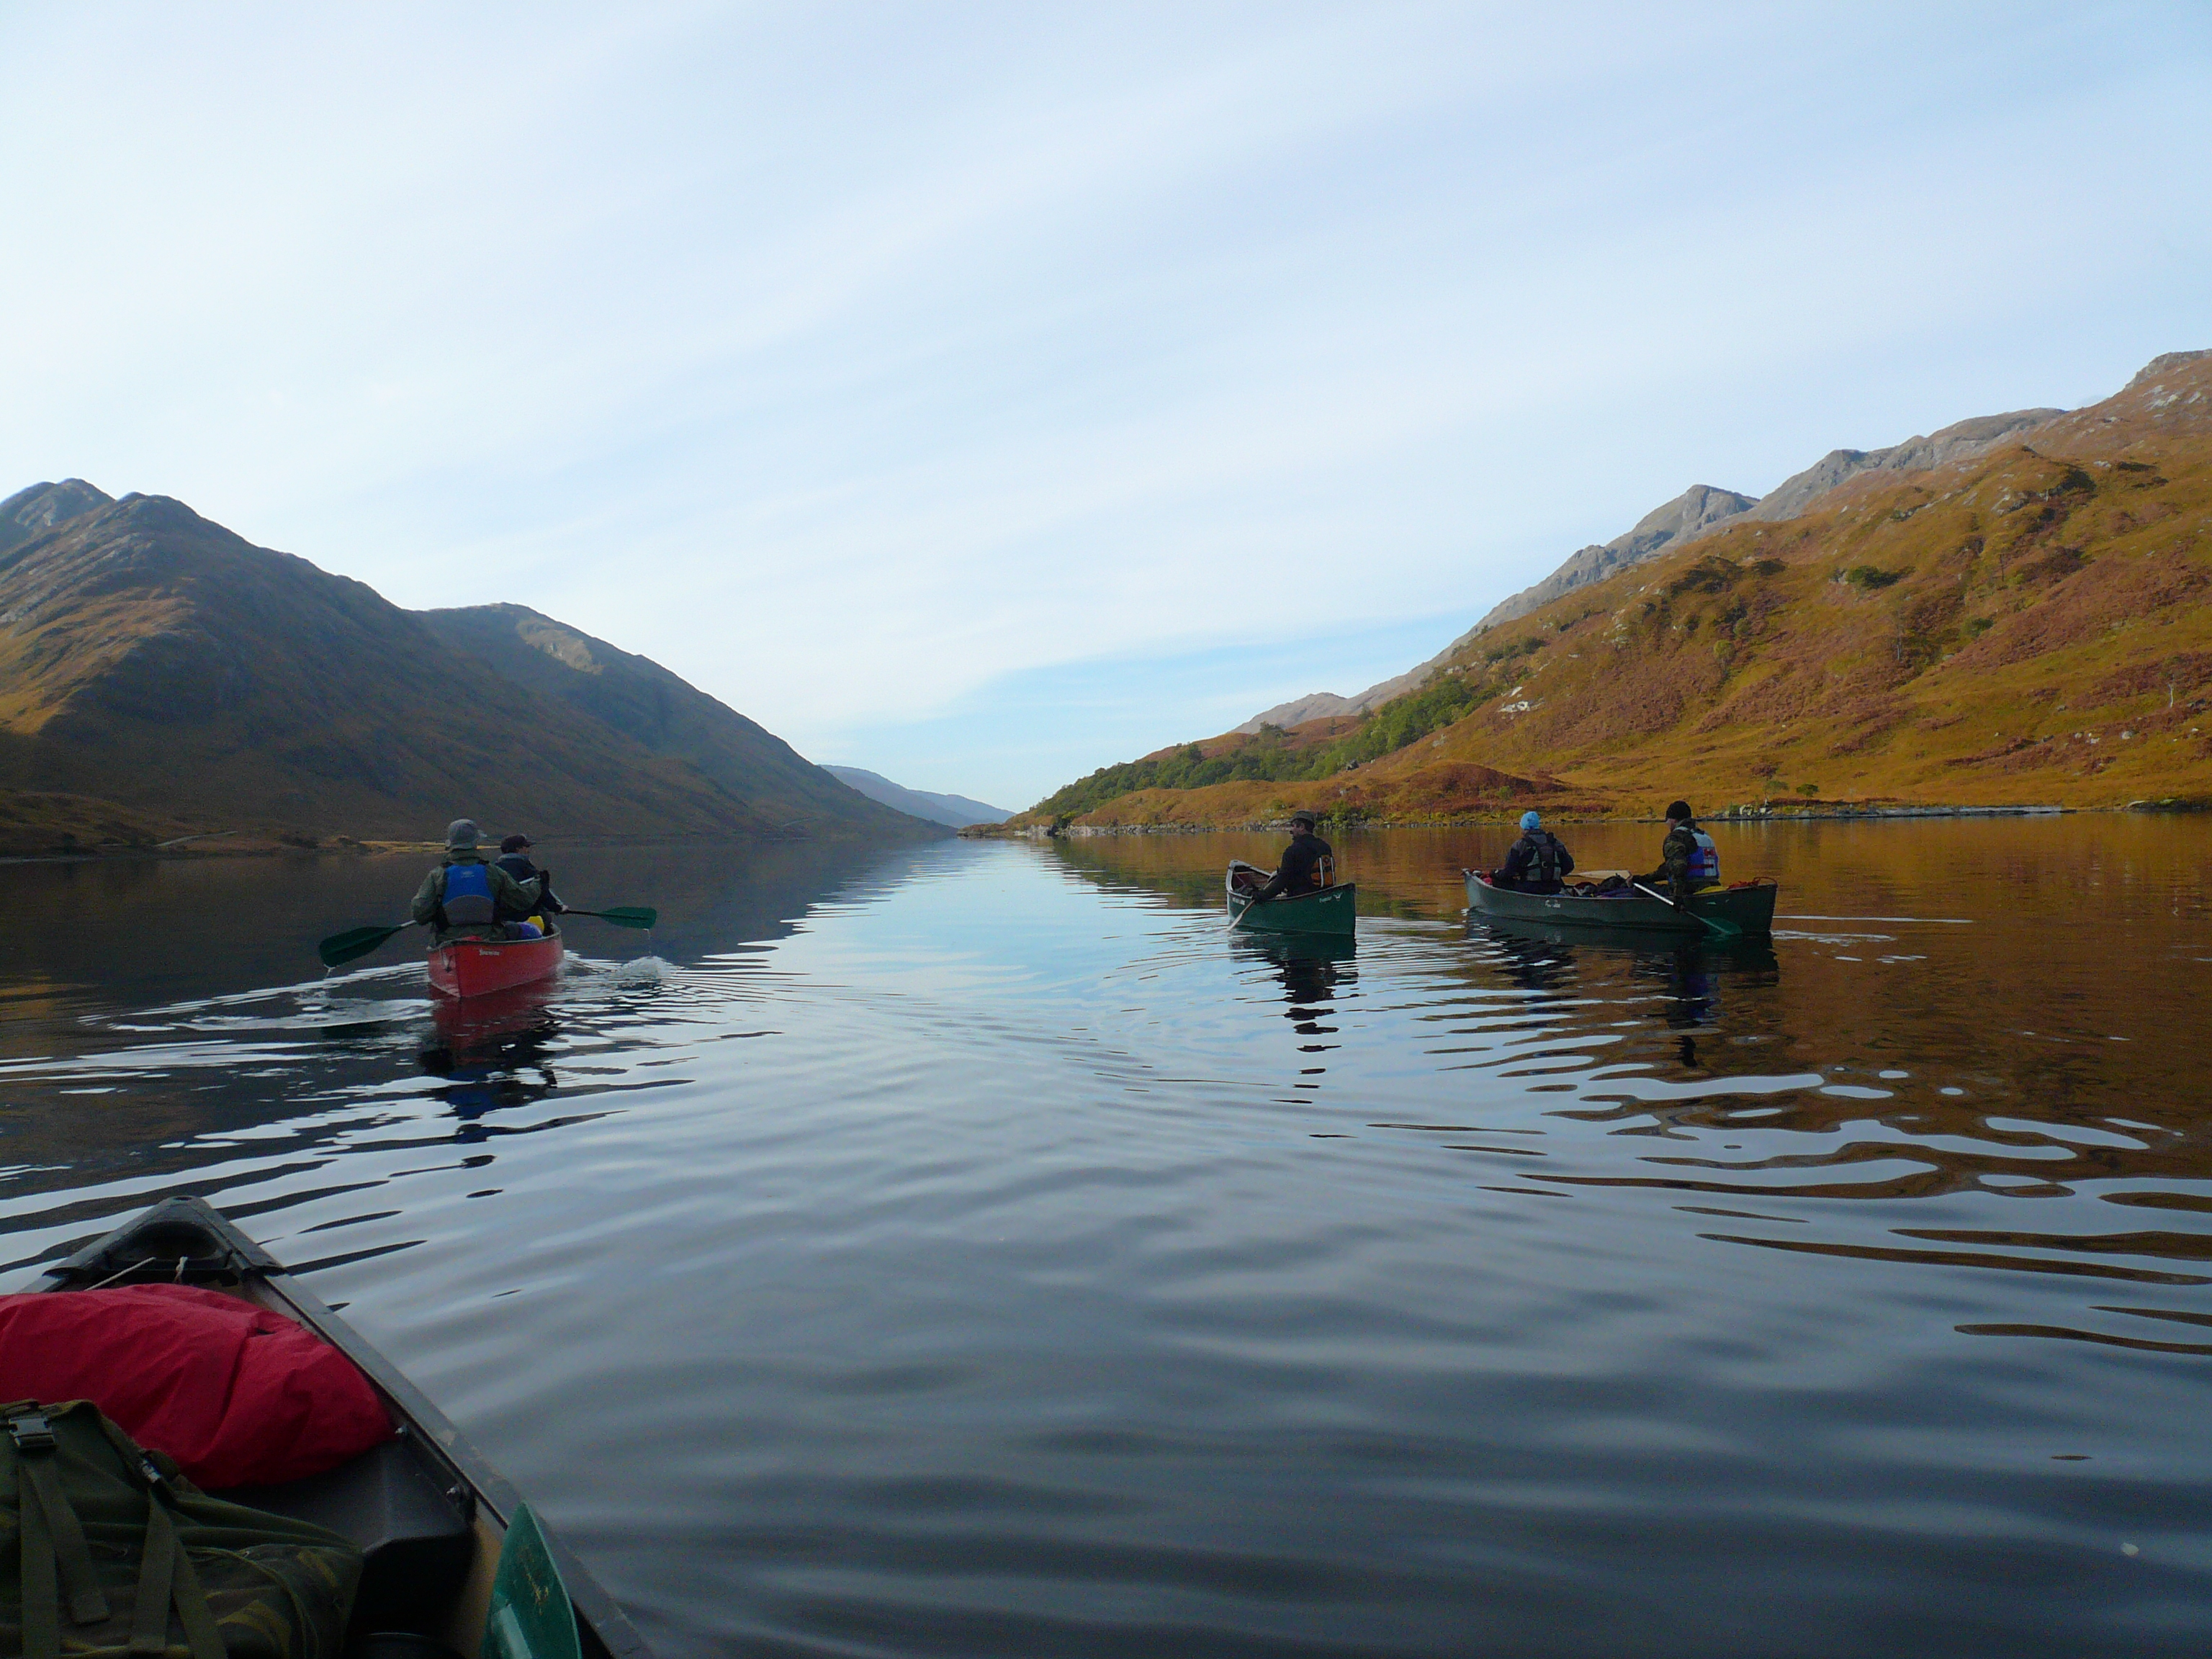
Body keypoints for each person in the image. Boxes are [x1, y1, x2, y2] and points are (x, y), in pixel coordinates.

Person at [411, 819, 544, 943]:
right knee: (531, 931)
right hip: (491, 937)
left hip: (449, 940)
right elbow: (523, 901)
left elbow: (420, 915)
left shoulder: (437, 875)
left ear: (450, 843)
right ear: (476, 843)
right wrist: (537, 884)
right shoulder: (493, 872)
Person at [1248, 810, 1336, 903]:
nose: (1290, 830)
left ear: (1302, 827)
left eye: (1293, 826)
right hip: (1324, 896)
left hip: (1301, 901)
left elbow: (1281, 882)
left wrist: (1261, 896)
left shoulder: (1292, 851)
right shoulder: (1325, 847)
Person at [1645, 799, 1719, 904]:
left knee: (1639, 890)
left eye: (1667, 820)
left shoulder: (1676, 837)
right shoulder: (1704, 836)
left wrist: (1678, 897)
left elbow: (1678, 868)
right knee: (1645, 883)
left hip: (1688, 891)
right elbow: (1669, 868)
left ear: (1674, 820)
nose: (1667, 824)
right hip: (1713, 886)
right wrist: (1643, 878)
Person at [494, 834, 565, 933]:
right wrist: (558, 908)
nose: (529, 850)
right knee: (546, 919)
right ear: (518, 849)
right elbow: (544, 894)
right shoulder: (529, 871)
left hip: (498, 918)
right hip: (524, 917)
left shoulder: (493, 869)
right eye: (526, 847)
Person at [1498, 809, 1573, 894]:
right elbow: (1569, 867)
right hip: (1555, 888)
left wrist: (1495, 873)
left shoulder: (1520, 845)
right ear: (1538, 825)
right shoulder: (1556, 843)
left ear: (1523, 827)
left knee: (1499, 882)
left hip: (1530, 889)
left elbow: (1508, 872)